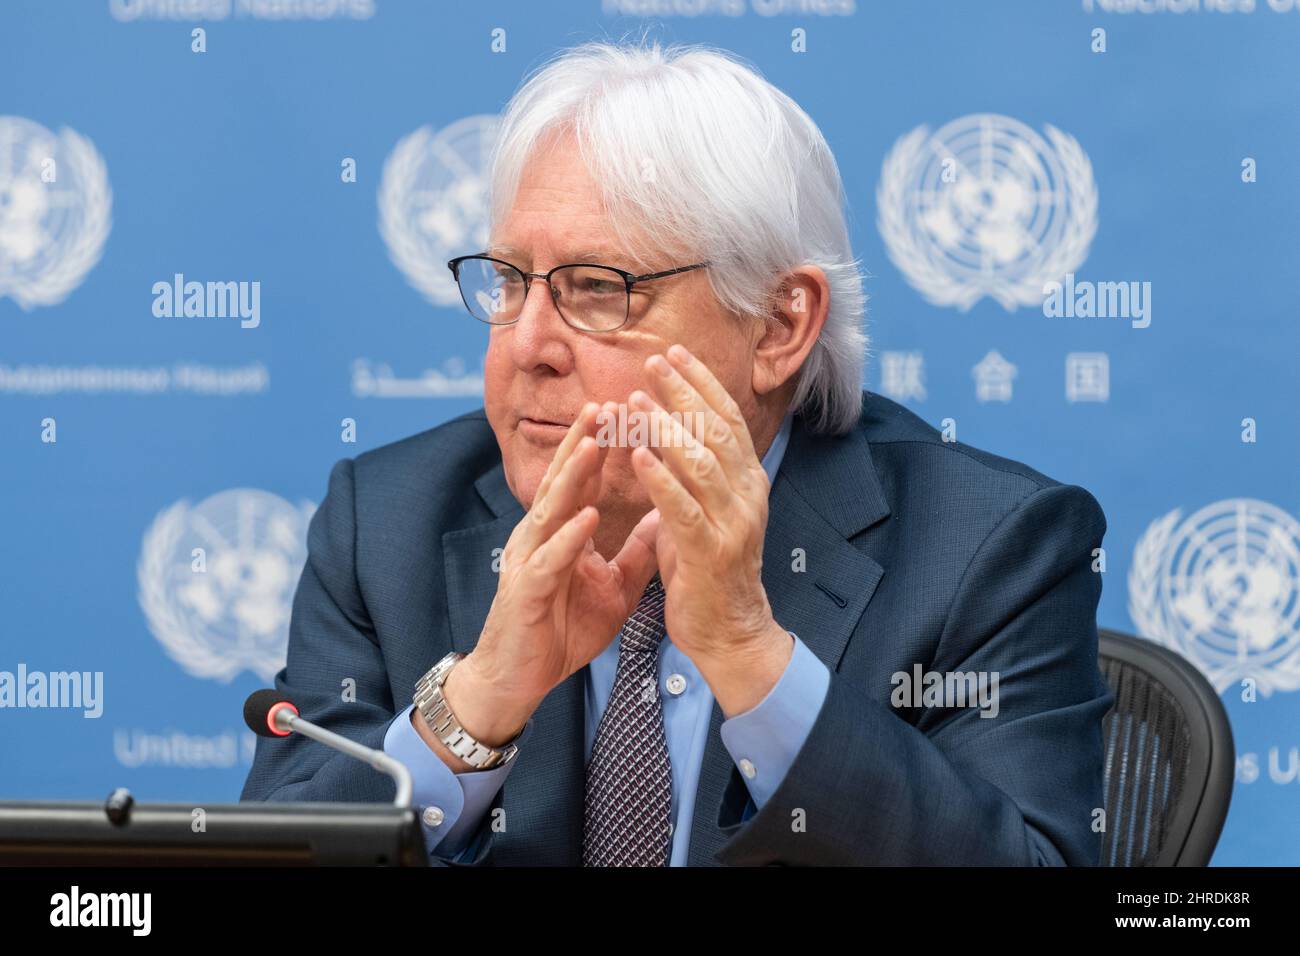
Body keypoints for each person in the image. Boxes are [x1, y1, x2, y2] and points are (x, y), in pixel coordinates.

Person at [241, 40, 1113, 866]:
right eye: (509, 282)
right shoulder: (387, 522)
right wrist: (476, 706)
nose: (527, 344)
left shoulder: (987, 549)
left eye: (597, 289)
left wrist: (751, 656)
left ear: (778, 327)